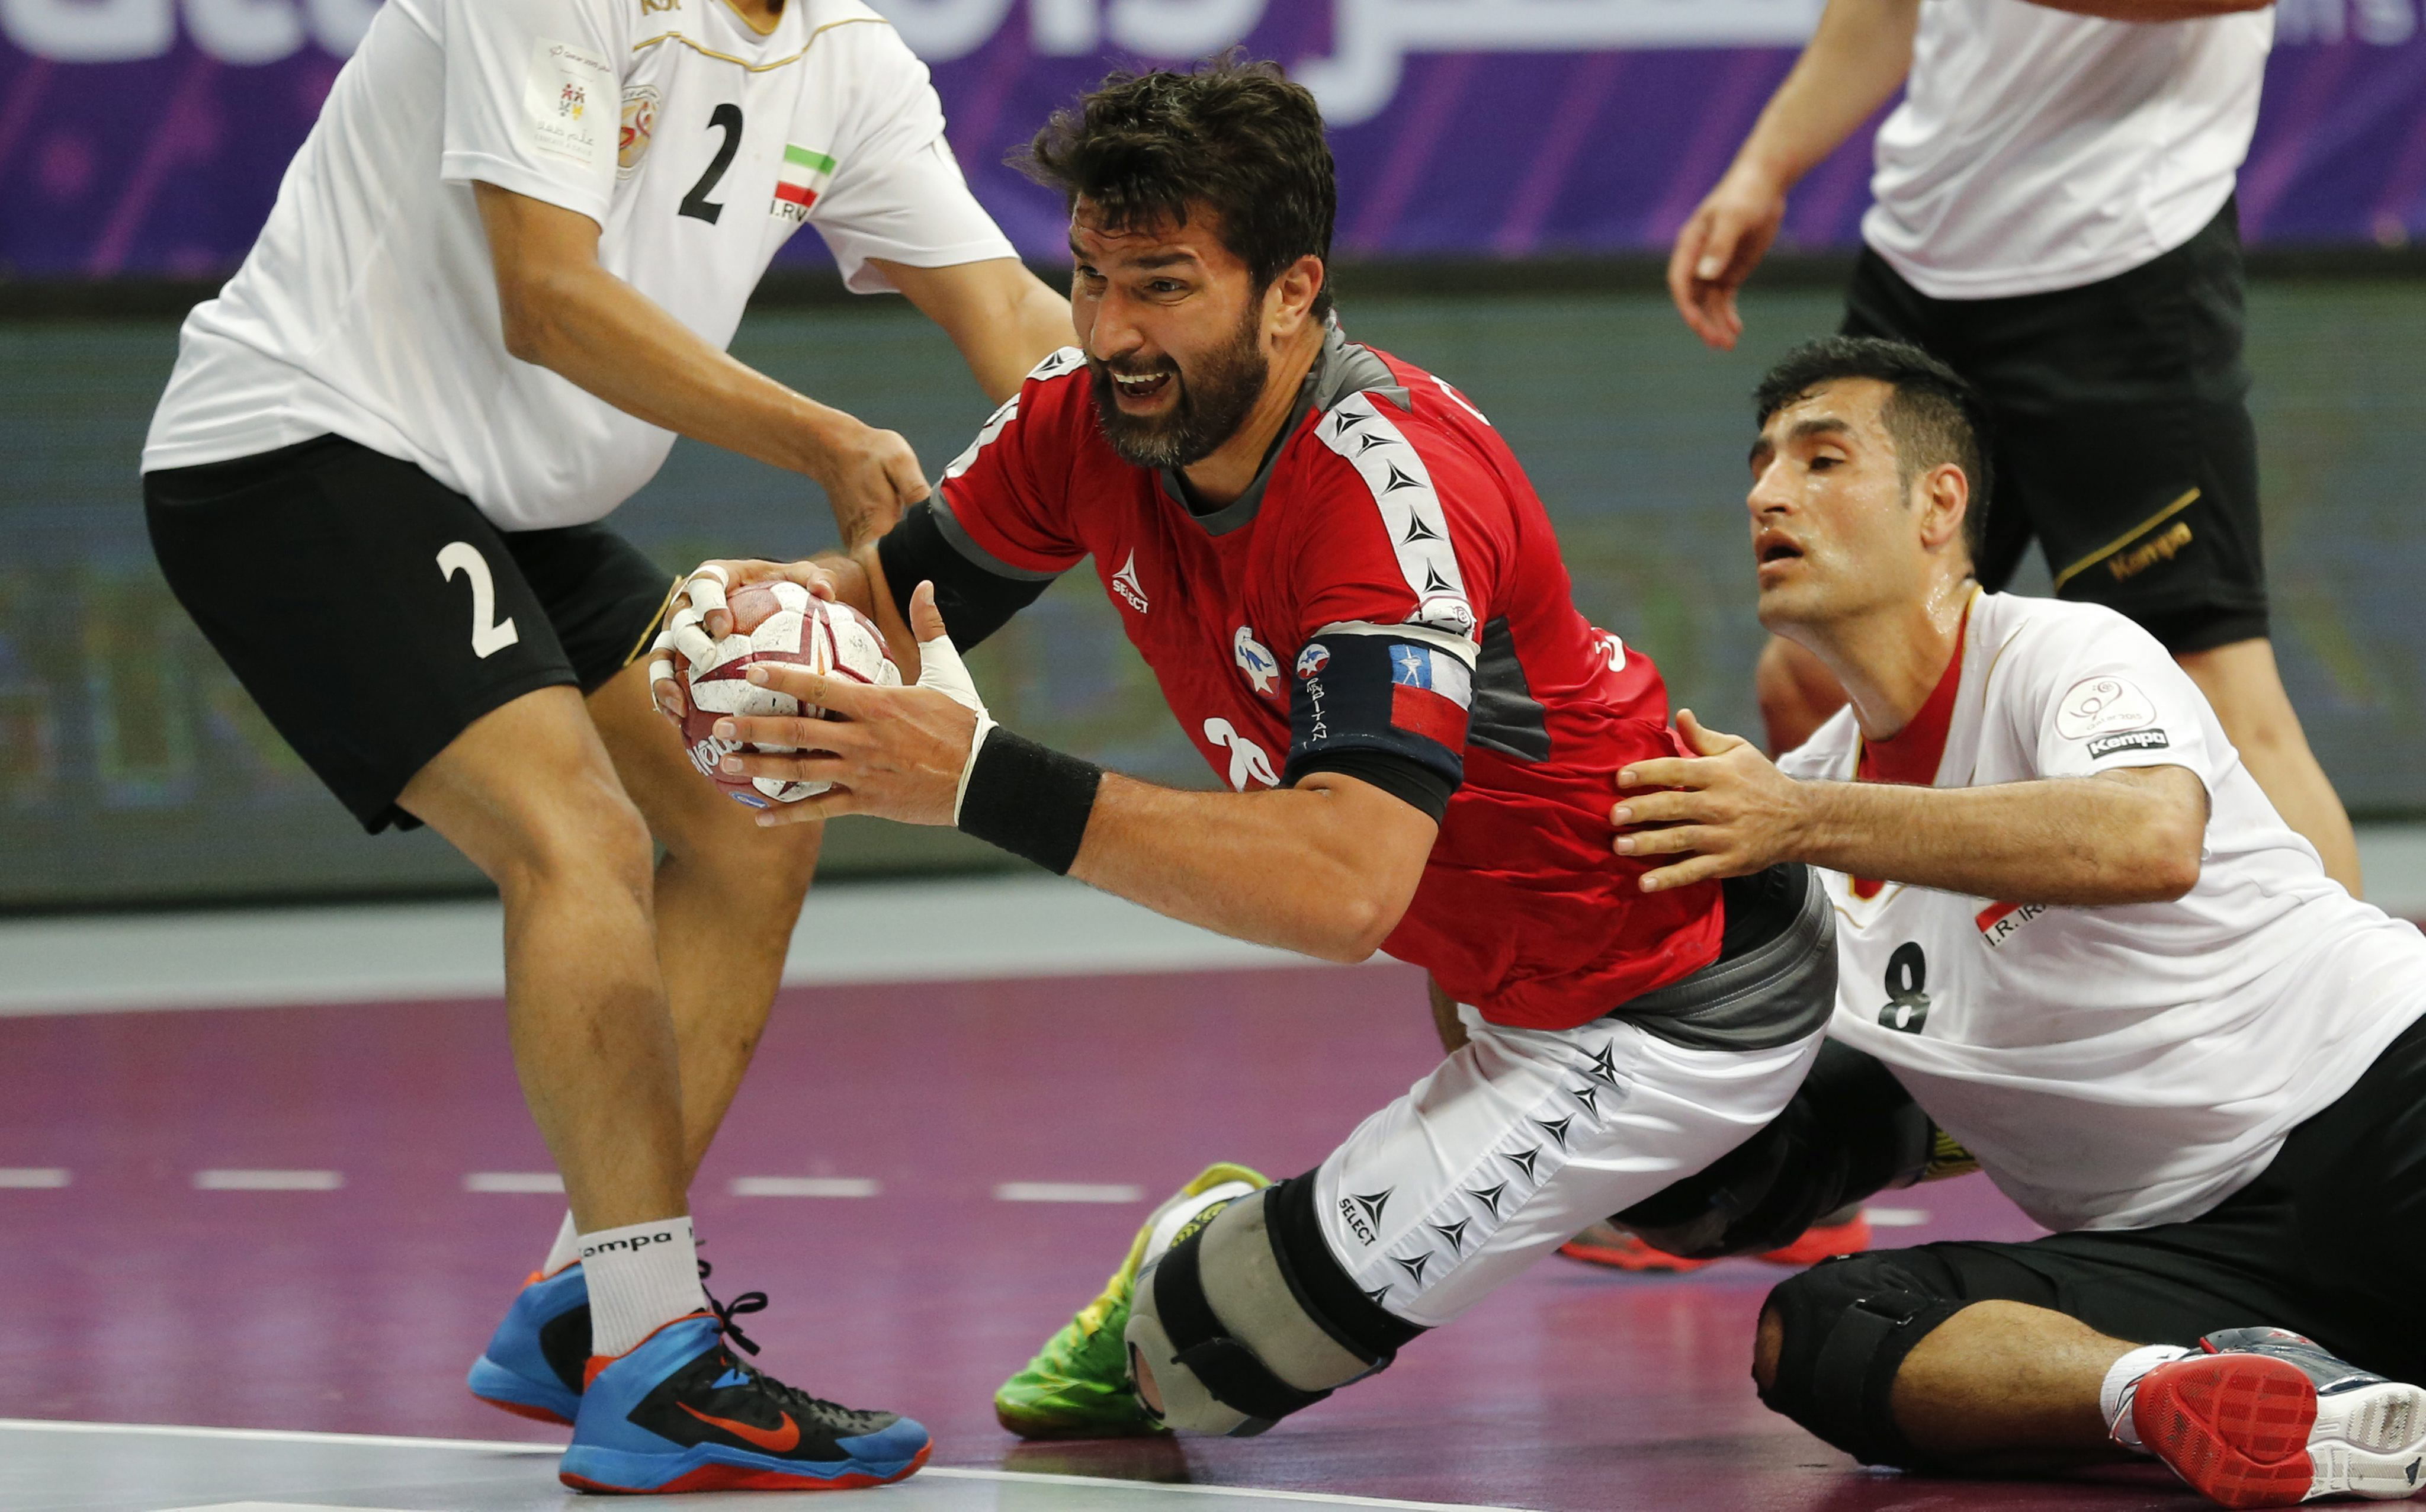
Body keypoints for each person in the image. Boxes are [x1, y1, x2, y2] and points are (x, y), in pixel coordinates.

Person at [670, 57, 1837, 1444]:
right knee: (1666, 1196)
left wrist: (974, 776)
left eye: (1161, 283)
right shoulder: (1081, 418)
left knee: (1212, 1361)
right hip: (1505, 973)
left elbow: (1343, 887)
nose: (1107, 330)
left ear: (1292, 290)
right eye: (1091, 277)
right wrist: (753, 618)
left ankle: (1212, 1233)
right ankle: (1893, 1086)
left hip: (1673, 987)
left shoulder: (1382, 492)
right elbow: (888, 601)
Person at [137, 0, 1068, 1491]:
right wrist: (823, 439)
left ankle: (592, 1302)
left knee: (755, 811)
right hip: (300, 449)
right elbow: (548, 299)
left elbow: (1015, 324)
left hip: (519, 509)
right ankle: (655, 1351)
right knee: (580, 835)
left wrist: (1201, 423)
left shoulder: (847, 53)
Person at [1600, 336, 2426, 1507]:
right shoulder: (1792, 839)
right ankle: (2173, 1392)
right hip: (2182, 1251)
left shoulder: (2062, 651)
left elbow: (2144, 837)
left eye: (1818, 458)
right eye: (1758, 466)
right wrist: (1483, 943)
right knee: (1820, 1326)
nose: (1765, 493)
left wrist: (1794, 817)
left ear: (1938, 503)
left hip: (2378, 1102)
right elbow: (1693, 1115)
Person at [1666, 0, 2363, 896]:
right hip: (1923, 262)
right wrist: (1766, 164)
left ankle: (2367, 1016)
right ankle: (1922, 1005)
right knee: (1813, 678)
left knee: (2216, 690)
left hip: (2119, 271)